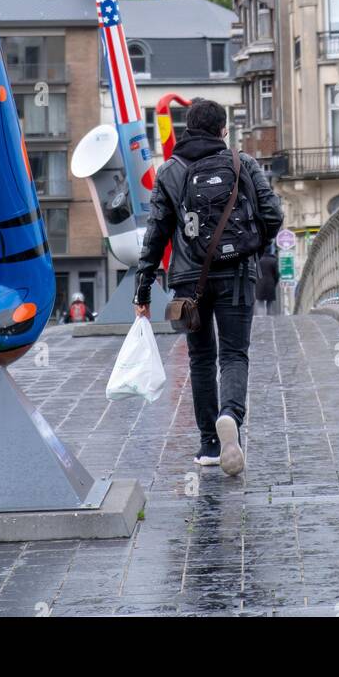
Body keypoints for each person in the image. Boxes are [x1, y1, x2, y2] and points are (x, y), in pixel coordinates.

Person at [134, 97, 283, 476]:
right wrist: (250, 247)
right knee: (234, 354)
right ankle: (230, 414)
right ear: (223, 131)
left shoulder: (168, 171)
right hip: (236, 275)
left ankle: (209, 445)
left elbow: (156, 233)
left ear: (187, 129)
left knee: (200, 358)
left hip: (188, 281)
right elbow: (273, 214)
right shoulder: (242, 163)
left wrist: (143, 287)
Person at [254, 244, 280, 316]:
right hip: (270, 284)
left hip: (260, 284)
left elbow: (256, 272)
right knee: (270, 303)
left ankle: (261, 317)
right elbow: (277, 274)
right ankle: (269, 317)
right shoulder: (273, 260)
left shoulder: (259, 260)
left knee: (260, 303)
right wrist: (274, 283)